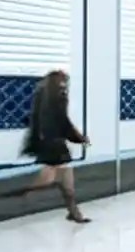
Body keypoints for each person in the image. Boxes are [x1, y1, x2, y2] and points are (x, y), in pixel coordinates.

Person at [14, 69, 92, 223]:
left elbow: (36, 120)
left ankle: (74, 212)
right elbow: (64, 122)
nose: (65, 86)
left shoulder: (42, 94)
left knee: (64, 178)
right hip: (55, 145)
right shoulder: (58, 97)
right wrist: (79, 138)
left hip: (48, 143)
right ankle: (23, 195)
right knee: (54, 179)